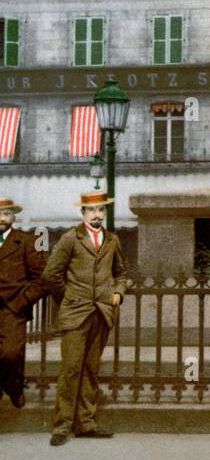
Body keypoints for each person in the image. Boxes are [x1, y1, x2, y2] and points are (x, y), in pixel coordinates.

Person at [42, 191, 127, 446]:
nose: (97, 214)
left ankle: (86, 424)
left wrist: (117, 293)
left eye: (101, 210)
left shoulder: (112, 240)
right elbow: (50, 275)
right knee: (71, 369)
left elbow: (121, 272)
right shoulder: (70, 238)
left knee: (90, 369)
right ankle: (62, 426)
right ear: (83, 213)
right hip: (75, 314)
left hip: (101, 313)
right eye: (92, 210)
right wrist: (69, 298)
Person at [0, 198, 48, 408]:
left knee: (10, 354)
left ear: (13, 217)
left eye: (6, 214)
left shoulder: (25, 241)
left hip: (13, 308)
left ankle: (14, 386)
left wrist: (23, 300)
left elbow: (42, 279)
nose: (2, 218)